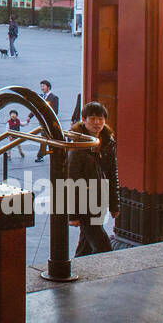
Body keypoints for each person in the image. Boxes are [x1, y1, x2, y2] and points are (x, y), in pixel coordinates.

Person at [67, 101, 118, 257]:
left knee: (85, 247)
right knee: (103, 246)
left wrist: (114, 204)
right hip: (84, 204)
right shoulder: (78, 146)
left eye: (101, 118)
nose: (97, 123)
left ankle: (75, 271)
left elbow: (111, 175)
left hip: (99, 201)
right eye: (92, 118)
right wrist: (73, 214)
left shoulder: (108, 143)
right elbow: (72, 181)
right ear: (84, 119)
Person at [35, 79, 60, 163]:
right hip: (42, 121)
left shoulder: (54, 98)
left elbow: (55, 111)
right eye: (41, 86)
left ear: (48, 87)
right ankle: (51, 153)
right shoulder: (41, 97)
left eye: (43, 86)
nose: (42, 88)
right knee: (46, 138)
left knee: (44, 138)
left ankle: (41, 155)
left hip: (49, 122)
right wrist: (29, 117)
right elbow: (36, 108)